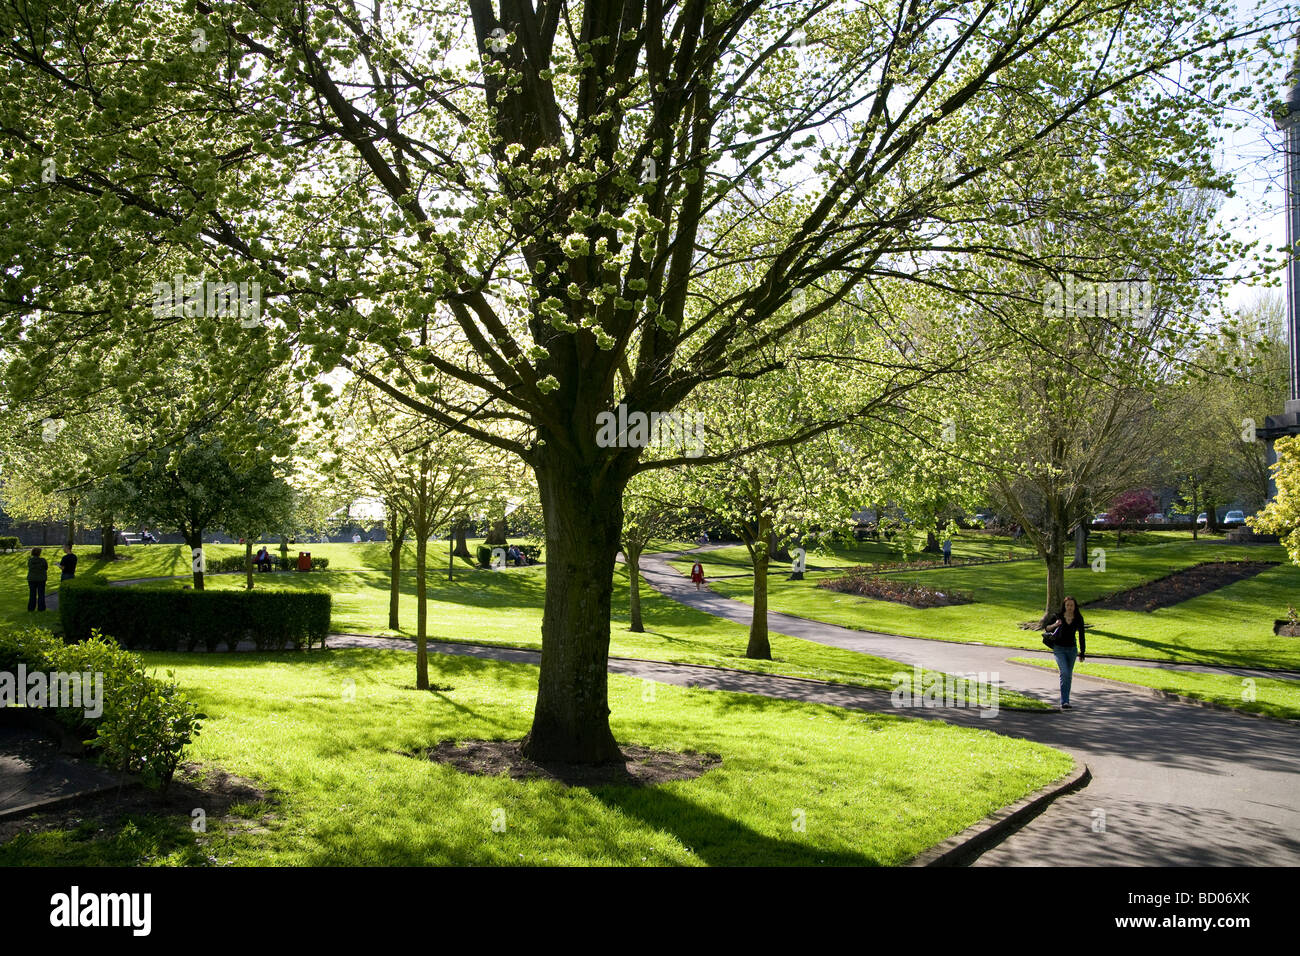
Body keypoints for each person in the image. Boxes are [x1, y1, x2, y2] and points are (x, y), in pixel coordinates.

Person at [1044, 595, 1087, 710]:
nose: (1069, 607)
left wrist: (1082, 652)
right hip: (1059, 649)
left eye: (1071, 605)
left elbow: (1082, 636)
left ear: (1075, 606)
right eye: (1067, 605)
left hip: (1072, 650)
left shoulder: (1078, 618)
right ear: (1064, 606)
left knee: (1068, 675)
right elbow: (1046, 628)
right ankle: (1065, 701)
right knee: (1065, 673)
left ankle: (1066, 700)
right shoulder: (1058, 616)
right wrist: (1055, 624)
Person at [26, 548, 48, 612]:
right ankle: (41, 608)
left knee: (32, 594)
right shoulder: (43, 560)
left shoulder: (30, 560)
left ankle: (31, 608)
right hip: (41, 579)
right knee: (41, 594)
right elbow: (46, 568)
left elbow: (30, 567)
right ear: (39, 553)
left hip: (32, 579)